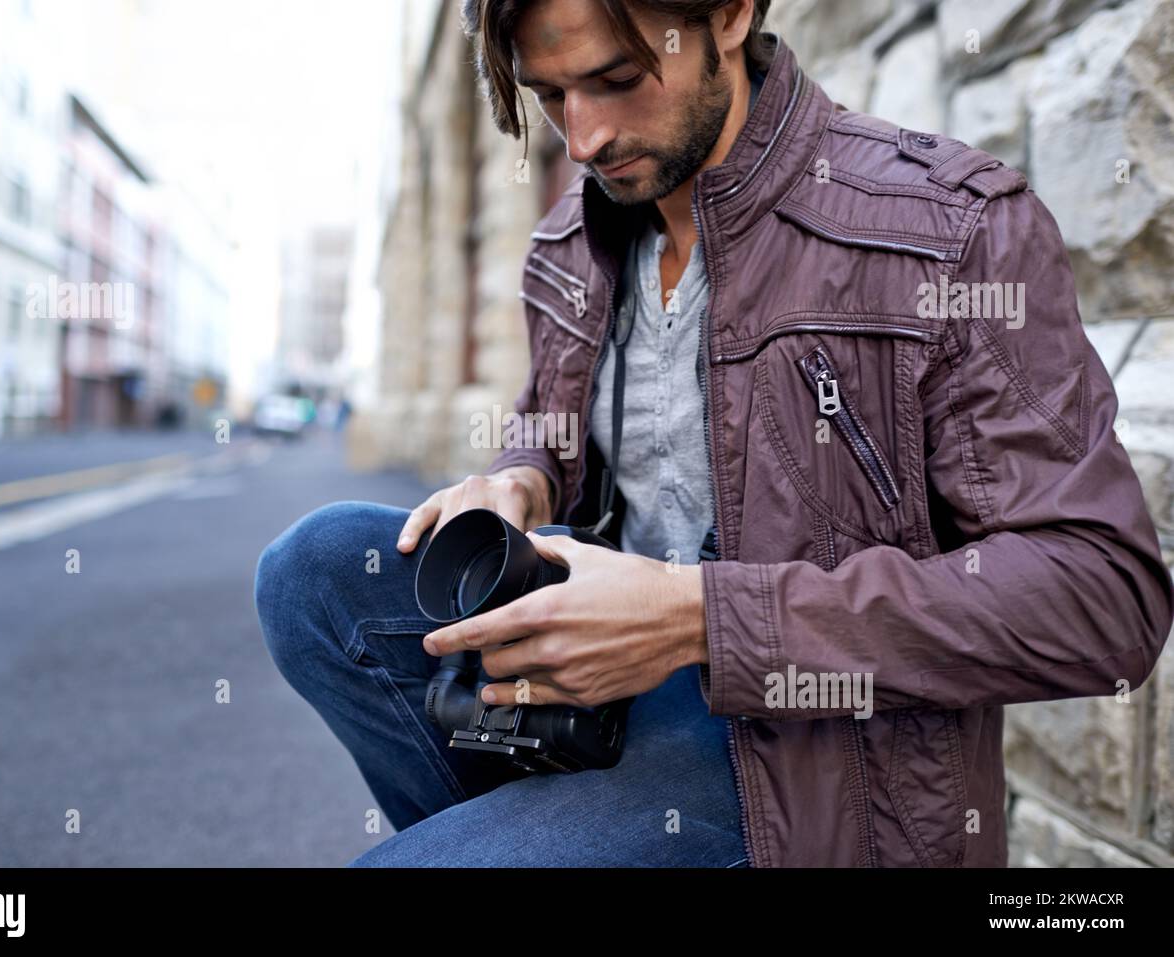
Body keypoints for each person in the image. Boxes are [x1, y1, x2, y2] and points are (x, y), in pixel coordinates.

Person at [255, 0, 1173, 867]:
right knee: (311, 571)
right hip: (608, 685)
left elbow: (1103, 596)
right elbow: (554, 421)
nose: (583, 139)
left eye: (616, 79)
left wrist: (701, 619)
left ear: (731, 13)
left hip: (808, 754)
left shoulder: (951, 230)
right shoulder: (577, 239)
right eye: (550, 97)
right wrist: (522, 477)